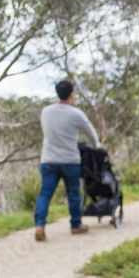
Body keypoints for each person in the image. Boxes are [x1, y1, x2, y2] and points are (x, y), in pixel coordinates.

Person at [33, 79, 101, 242]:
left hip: (48, 159)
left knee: (45, 193)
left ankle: (39, 225)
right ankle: (75, 225)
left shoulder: (46, 111)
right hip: (70, 160)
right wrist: (96, 146)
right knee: (73, 193)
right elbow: (92, 135)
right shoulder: (76, 114)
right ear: (72, 94)